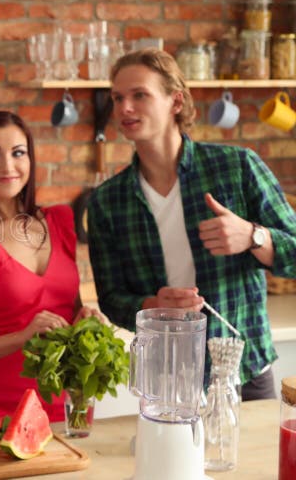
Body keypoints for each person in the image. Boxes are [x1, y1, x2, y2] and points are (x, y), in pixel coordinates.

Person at [88, 48, 296, 399]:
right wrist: (153, 305)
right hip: (165, 377)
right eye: (117, 97)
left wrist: (254, 236)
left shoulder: (237, 166)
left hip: (242, 369)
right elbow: (111, 298)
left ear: (176, 102)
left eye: (140, 95)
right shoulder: (107, 201)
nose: (124, 108)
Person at [0, 111, 100, 421]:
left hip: (62, 402)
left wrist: (87, 319)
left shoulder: (61, 220)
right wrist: (22, 337)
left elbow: (70, 311)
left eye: (18, 153)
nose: (7, 166)